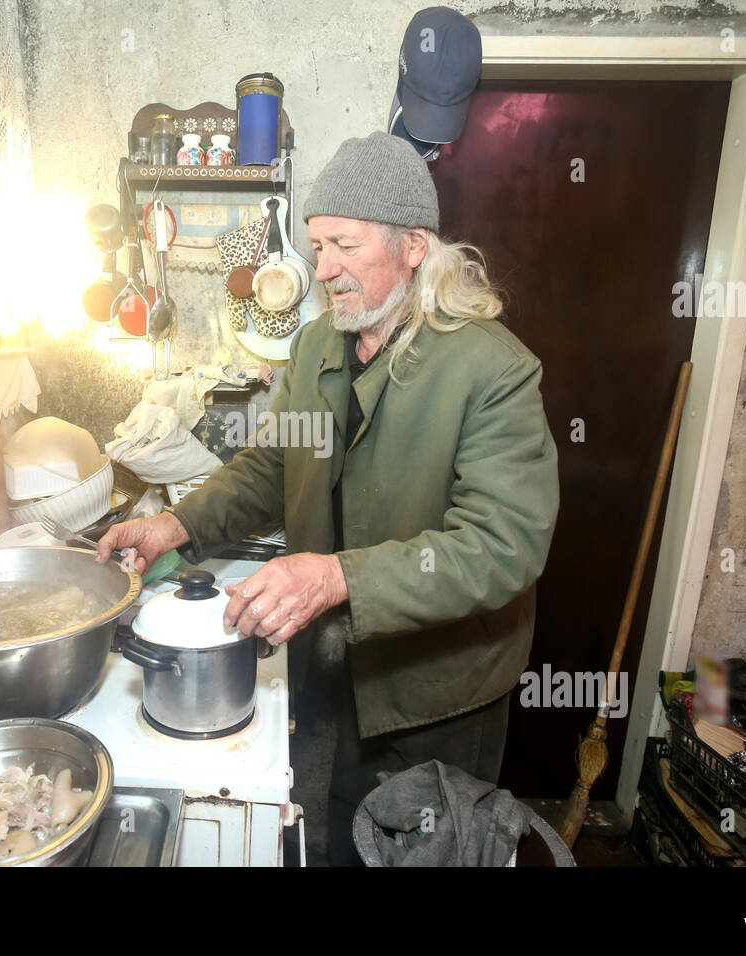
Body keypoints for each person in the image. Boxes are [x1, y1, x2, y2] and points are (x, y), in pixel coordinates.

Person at [97, 131, 559, 865]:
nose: (324, 268)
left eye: (345, 245)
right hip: (337, 664)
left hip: (436, 693)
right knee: (341, 833)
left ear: (413, 247)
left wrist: (337, 577)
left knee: (429, 849)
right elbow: (272, 465)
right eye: (318, 246)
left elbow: (503, 547)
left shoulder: (491, 370)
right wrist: (175, 525)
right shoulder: (317, 344)